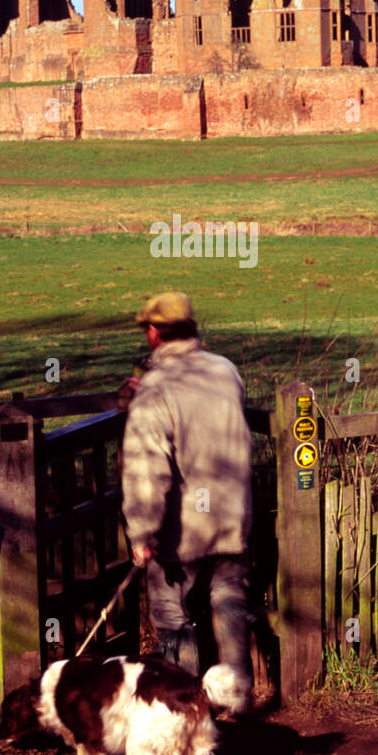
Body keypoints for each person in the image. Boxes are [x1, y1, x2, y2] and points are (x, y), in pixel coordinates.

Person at [119, 291, 254, 704]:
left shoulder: (157, 388)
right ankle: (238, 695)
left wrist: (142, 531)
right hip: (232, 514)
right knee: (229, 597)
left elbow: (147, 468)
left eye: (147, 329)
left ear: (156, 332)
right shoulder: (225, 370)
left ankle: (185, 705)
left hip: (185, 527)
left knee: (172, 612)